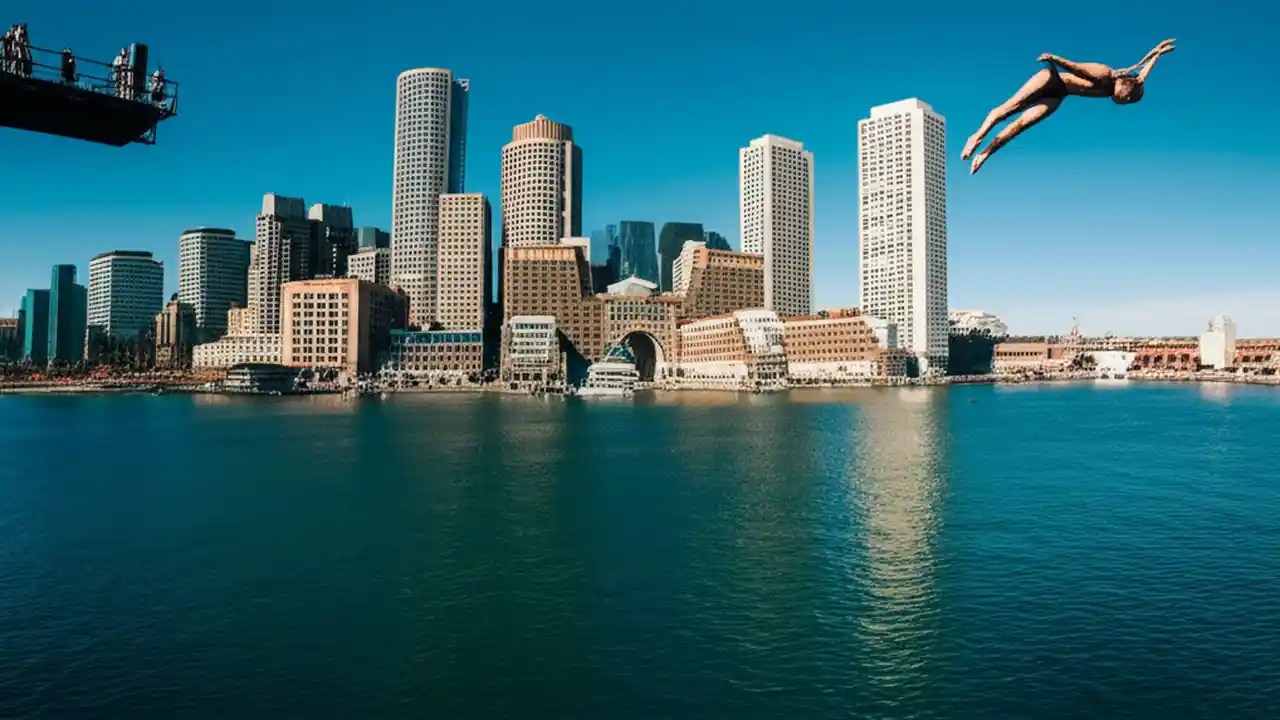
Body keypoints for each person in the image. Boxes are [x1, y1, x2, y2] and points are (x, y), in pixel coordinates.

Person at [962, 39, 1176, 175]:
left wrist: (1157, 54)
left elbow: (1141, 76)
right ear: (1123, 85)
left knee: (1020, 125)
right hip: (1050, 79)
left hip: (1058, 96)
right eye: (1126, 98)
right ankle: (978, 135)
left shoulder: (1124, 85)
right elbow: (1078, 69)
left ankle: (986, 153)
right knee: (1010, 108)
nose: (1123, 102)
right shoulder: (1104, 74)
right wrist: (1054, 58)